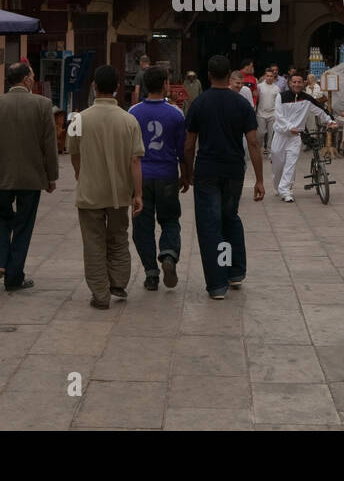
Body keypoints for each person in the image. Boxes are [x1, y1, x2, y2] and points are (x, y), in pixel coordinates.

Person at [184, 54, 264, 298]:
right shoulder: (241, 104)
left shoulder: (199, 103)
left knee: (210, 226)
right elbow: (253, 143)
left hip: (207, 170)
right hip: (233, 171)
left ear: (208, 75)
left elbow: (189, 145)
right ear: (230, 75)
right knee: (230, 218)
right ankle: (234, 271)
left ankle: (218, 283)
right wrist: (259, 179)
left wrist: (187, 172)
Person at [0, 61, 58, 290]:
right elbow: (49, 145)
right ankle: (14, 276)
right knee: (23, 225)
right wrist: (51, 177)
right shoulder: (43, 104)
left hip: (1, 176)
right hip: (32, 178)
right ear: (27, 80)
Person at [68, 65, 145, 309]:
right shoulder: (129, 120)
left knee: (93, 242)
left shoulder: (79, 119)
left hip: (90, 191)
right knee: (119, 237)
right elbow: (135, 160)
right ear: (117, 89)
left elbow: (74, 154)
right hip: (119, 192)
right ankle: (118, 282)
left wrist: (82, 175)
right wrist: (138, 193)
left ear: (94, 87)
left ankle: (100, 295)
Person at [129, 66, 188, 291]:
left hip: (140, 177)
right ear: (165, 84)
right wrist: (186, 175)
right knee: (170, 219)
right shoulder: (175, 113)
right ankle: (168, 255)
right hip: (167, 175)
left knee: (142, 225)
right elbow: (182, 149)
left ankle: (151, 274)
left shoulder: (133, 112)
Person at [270, 72, 335, 204]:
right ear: (289, 83)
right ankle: (278, 186)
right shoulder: (281, 97)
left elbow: (321, 110)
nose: (297, 84)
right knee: (278, 165)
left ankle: (286, 190)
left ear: (304, 83)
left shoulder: (307, 99)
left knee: (290, 164)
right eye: (294, 82)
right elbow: (279, 115)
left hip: (295, 138)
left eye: (299, 82)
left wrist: (330, 121)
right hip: (280, 135)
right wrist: (289, 127)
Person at [255, 67, 281, 156]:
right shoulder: (259, 86)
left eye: (271, 76)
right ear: (265, 76)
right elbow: (256, 98)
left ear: (274, 77)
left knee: (271, 134)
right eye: (268, 76)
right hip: (261, 113)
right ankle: (259, 149)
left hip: (272, 114)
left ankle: (270, 151)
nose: (269, 77)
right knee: (261, 133)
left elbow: (278, 102)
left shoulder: (277, 88)